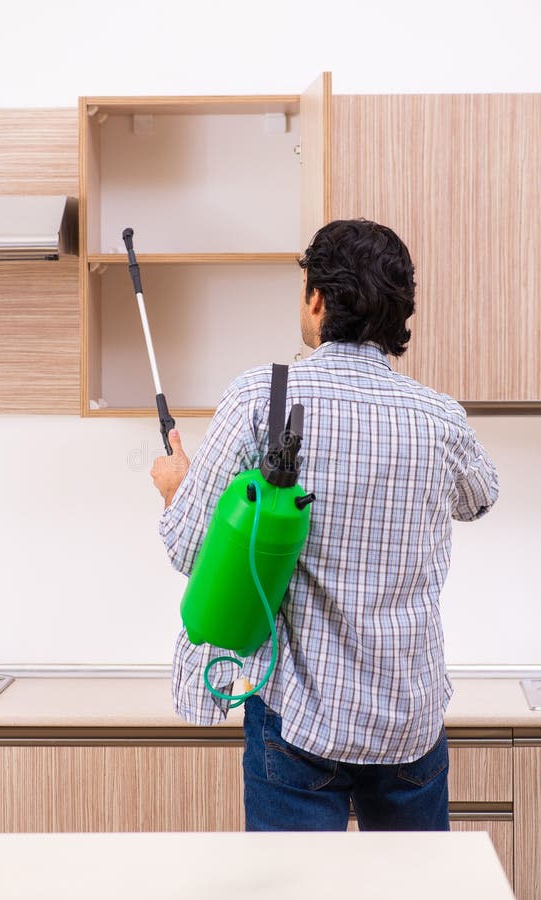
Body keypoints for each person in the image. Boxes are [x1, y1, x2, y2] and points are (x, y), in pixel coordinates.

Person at [151, 219, 499, 832]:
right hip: (408, 724)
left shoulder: (264, 399)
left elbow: (189, 549)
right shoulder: (439, 417)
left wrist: (179, 487)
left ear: (317, 299)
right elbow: (478, 499)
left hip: (300, 722)